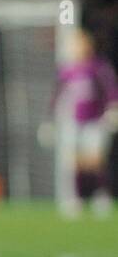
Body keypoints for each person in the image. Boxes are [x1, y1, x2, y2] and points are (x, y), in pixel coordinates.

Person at [46, 28, 118, 217]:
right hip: (72, 121)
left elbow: (110, 89)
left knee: (94, 161)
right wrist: (50, 121)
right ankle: (72, 198)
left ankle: (101, 196)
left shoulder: (98, 67)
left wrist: (112, 109)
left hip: (95, 120)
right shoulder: (66, 70)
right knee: (71, 162)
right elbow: (57, 96)